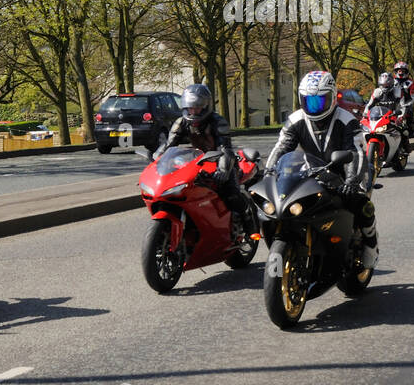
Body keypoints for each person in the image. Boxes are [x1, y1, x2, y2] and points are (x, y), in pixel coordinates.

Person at [267, 71, 378, 267]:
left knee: (360, 203)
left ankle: (370, 244)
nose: (314, 107)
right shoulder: (295, 120)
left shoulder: (347, 120)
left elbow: (356, 152)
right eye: (309, 101)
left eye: (319, 101)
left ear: (333, 98)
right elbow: (282, 147)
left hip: (345, 173)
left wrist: (352, 181)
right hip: (310, 171)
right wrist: (269, 172)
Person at [155, 83, 250, 233]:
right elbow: (169, 146)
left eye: (197, 108)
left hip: (221, 161)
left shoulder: (218, 122)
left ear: (206, 107)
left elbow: (226, 149)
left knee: (231, 194)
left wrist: (223, 169)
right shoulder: (181, 122)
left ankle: (248, 222)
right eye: (190, 108)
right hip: (197, 162)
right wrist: (157, 162)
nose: (193, 112)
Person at [365, 72, 412, 158]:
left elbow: (402, 105)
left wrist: (400, 116)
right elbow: (369, 105)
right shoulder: (377, 92)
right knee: (366, 130)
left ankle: (405, 148)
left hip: (394, 116)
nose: (384, 87)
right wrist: (365, 114)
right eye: (382, 85)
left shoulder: (397, 92)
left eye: (386, 85)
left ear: (391, 84)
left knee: (404, 130)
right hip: (380, 117)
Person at [392, 61, 414, 135]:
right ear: (396, 71)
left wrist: (408, 104)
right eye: (399, 70)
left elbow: (413, 96)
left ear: (406, 71)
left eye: (402, 70)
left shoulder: (411, 82)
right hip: (393, 102)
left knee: (409, 113)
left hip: (407, 102)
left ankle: (411, 129)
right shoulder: (391, 80)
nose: (400, 72)